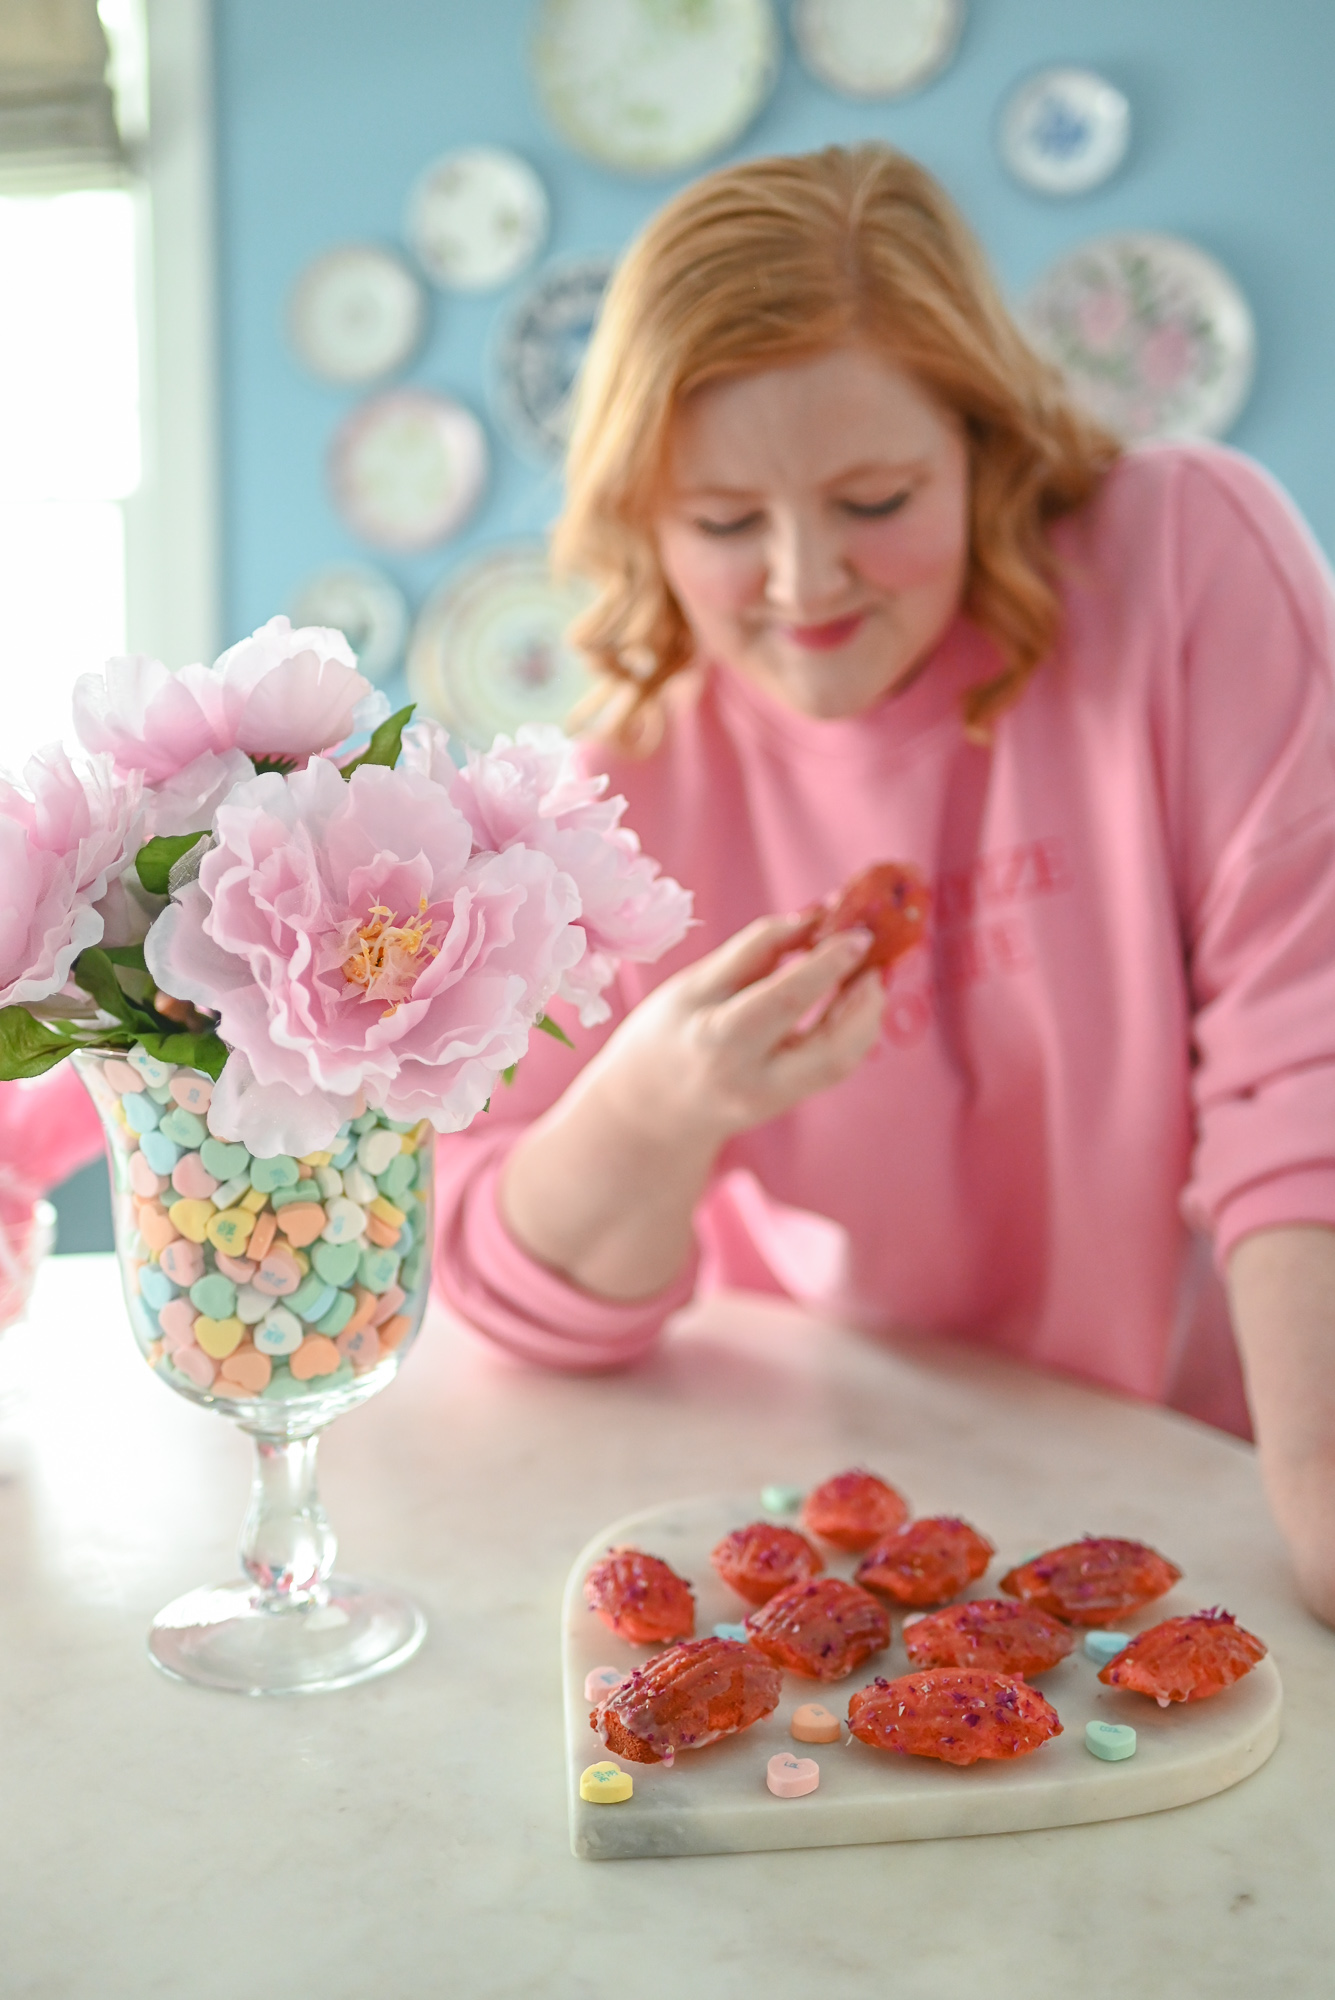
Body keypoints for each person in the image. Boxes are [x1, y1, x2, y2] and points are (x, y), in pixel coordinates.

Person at [431, 144, 1335, 1625]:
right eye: (724, 524)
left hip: (1204, 1464)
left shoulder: (1180, 561)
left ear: (985, 442)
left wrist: (1319, 1499)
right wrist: (662, 1108)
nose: (803, 582)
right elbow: (508, 1295)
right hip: (838, 1517)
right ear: (642, 521)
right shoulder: (618, 794)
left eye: (873, 498)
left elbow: (1306, 1067)